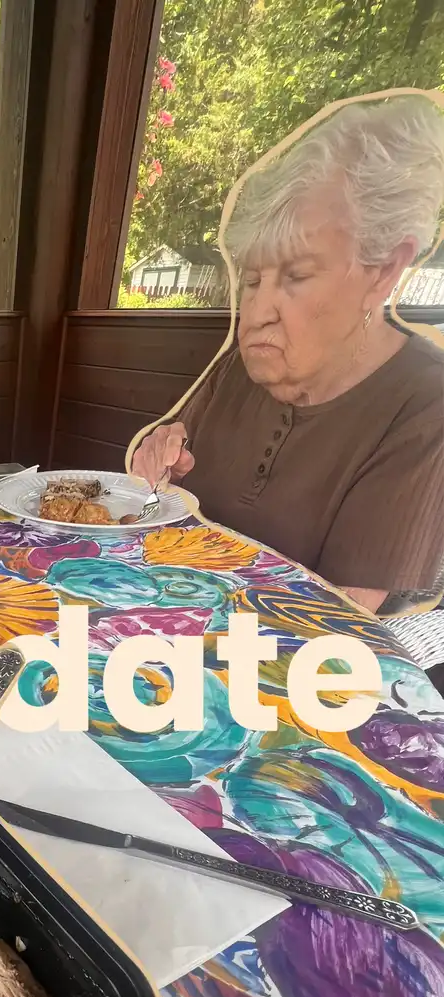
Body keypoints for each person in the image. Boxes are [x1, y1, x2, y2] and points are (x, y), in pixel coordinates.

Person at [130, 94, 444, 615]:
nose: (258, 311)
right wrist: (162, 460)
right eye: (252, 279)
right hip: (169, 610)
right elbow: (166, 489)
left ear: (385, 270)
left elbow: (340, 621)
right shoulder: (248, 365)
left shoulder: (424, 407)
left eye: (296, 276)